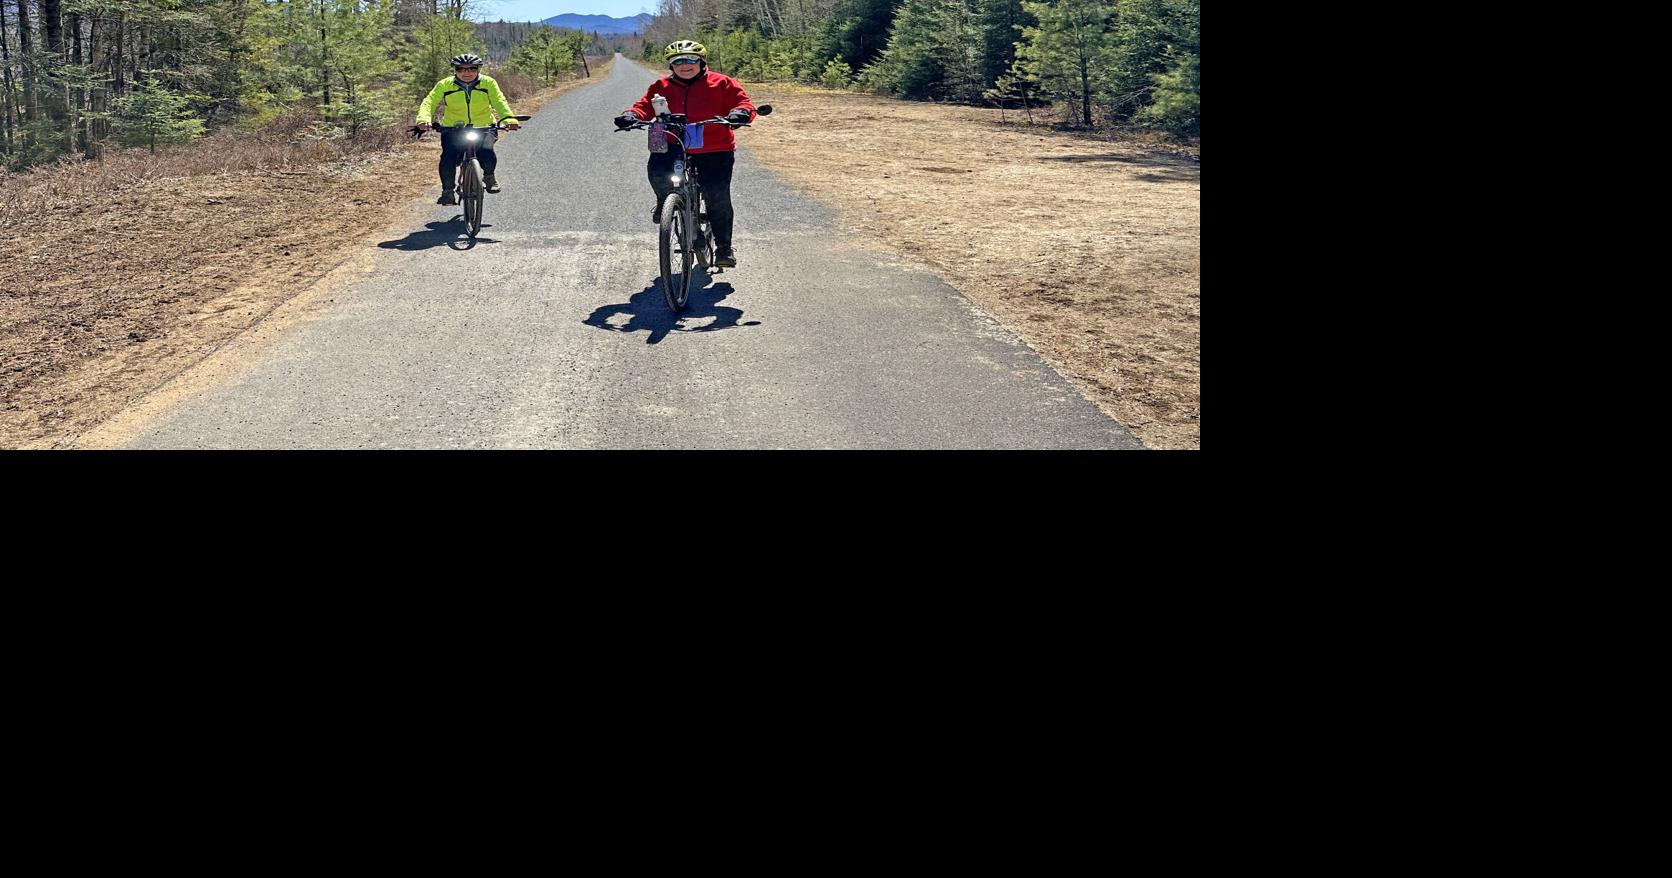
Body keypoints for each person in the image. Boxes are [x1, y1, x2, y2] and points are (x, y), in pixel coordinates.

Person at [616, 40, 755, 267]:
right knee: (658, 172)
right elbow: (643, 106)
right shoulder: (661, 86)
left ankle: (723, 248)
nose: (685, 65)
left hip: (715, 147)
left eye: (690, 60)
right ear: (671, 66)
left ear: (701, 62)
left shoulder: (721, 83)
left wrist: (739, 113)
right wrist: (631, 115)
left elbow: (742, 102)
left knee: (716, 196)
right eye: (678, 61)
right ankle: (664, 201)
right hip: (674, 144)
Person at [416, 54, 521, 206]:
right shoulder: (445, 85)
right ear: (455, 70)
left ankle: (489, 177)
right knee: (448, 157)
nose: (467, 72)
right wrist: (423, 119)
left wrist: (509, 119)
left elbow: (499, 101)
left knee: (487, 151)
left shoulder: (488, 83)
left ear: (478, 70)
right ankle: (447, 192)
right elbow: (429, 101)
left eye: (472, 68)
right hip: (453, 128)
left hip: (484, 125)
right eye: (461, 69)